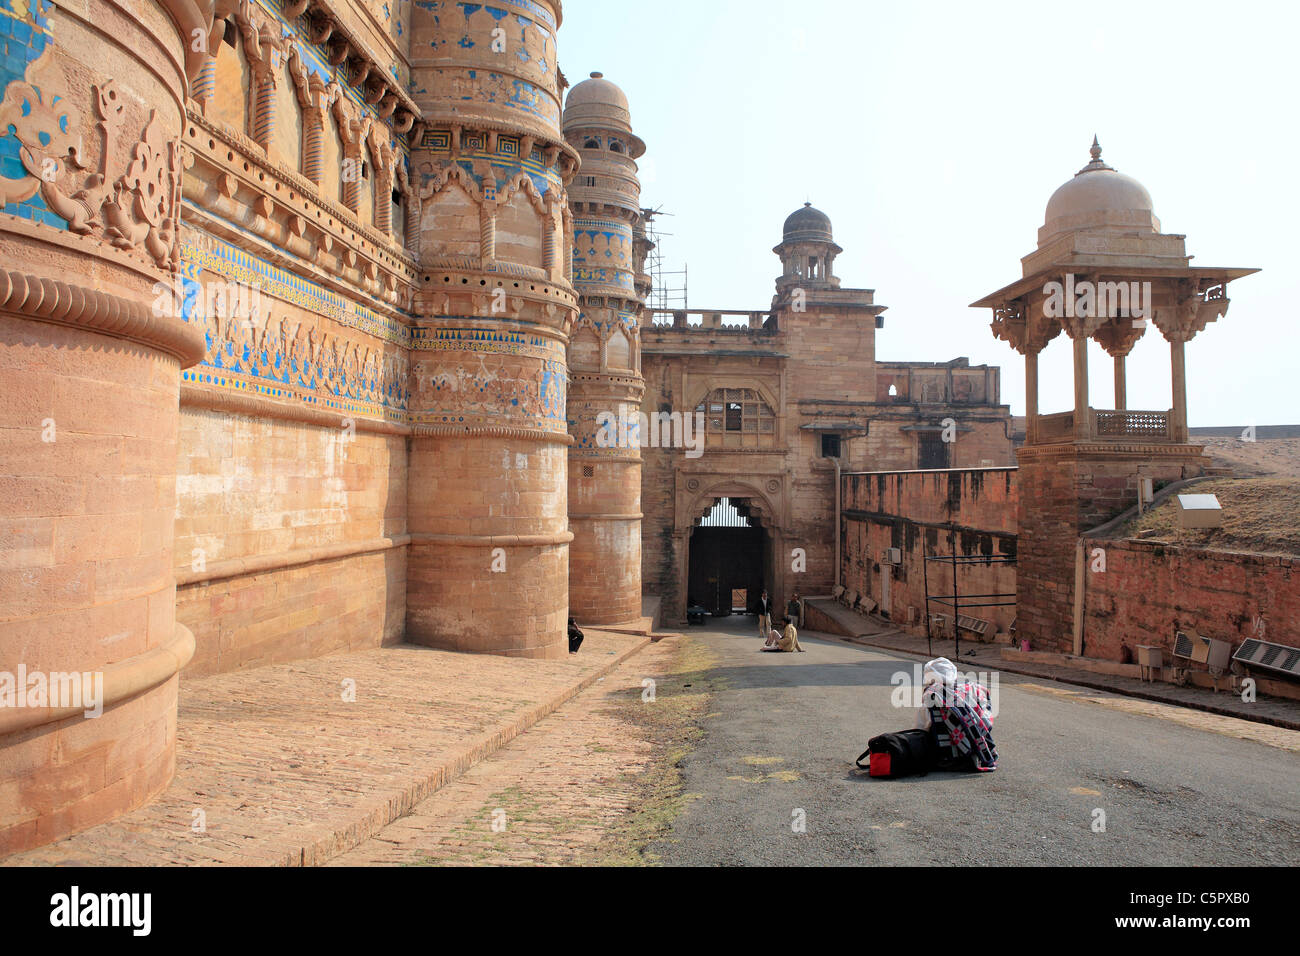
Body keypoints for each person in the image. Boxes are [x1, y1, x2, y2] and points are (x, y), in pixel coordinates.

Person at [913, 657, 997, 771]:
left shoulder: (932, 696)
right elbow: (986, 717)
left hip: (946, 755)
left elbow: (921, 729)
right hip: (976, 745)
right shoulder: (972, 690)